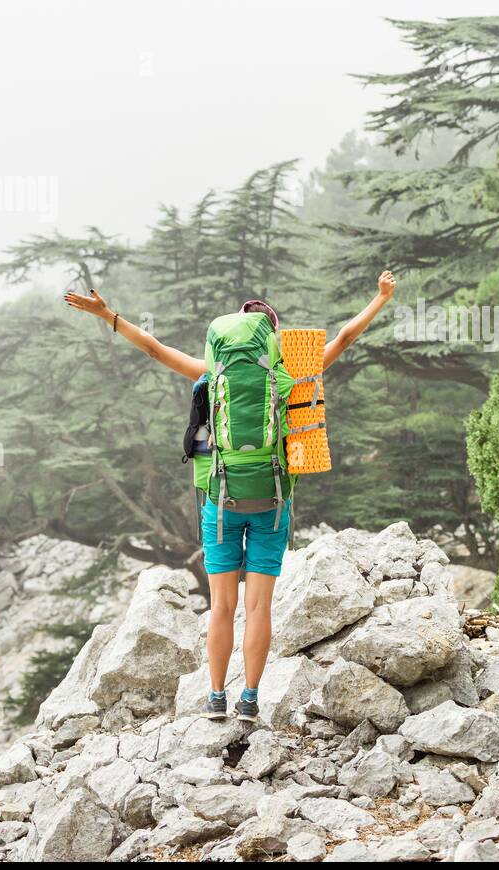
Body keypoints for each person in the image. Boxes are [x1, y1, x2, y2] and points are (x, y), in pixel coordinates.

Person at [64, 270, 396, 721]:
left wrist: (109, 316)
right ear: (272, 339)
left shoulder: (211, 374)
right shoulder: (290, 375)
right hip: (273, 501)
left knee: (222, 606)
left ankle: (216, 697)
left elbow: (154, 348)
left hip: (220, 500)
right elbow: (345, 336)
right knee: (259, 606)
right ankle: (251, 700)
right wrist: (380, 298)